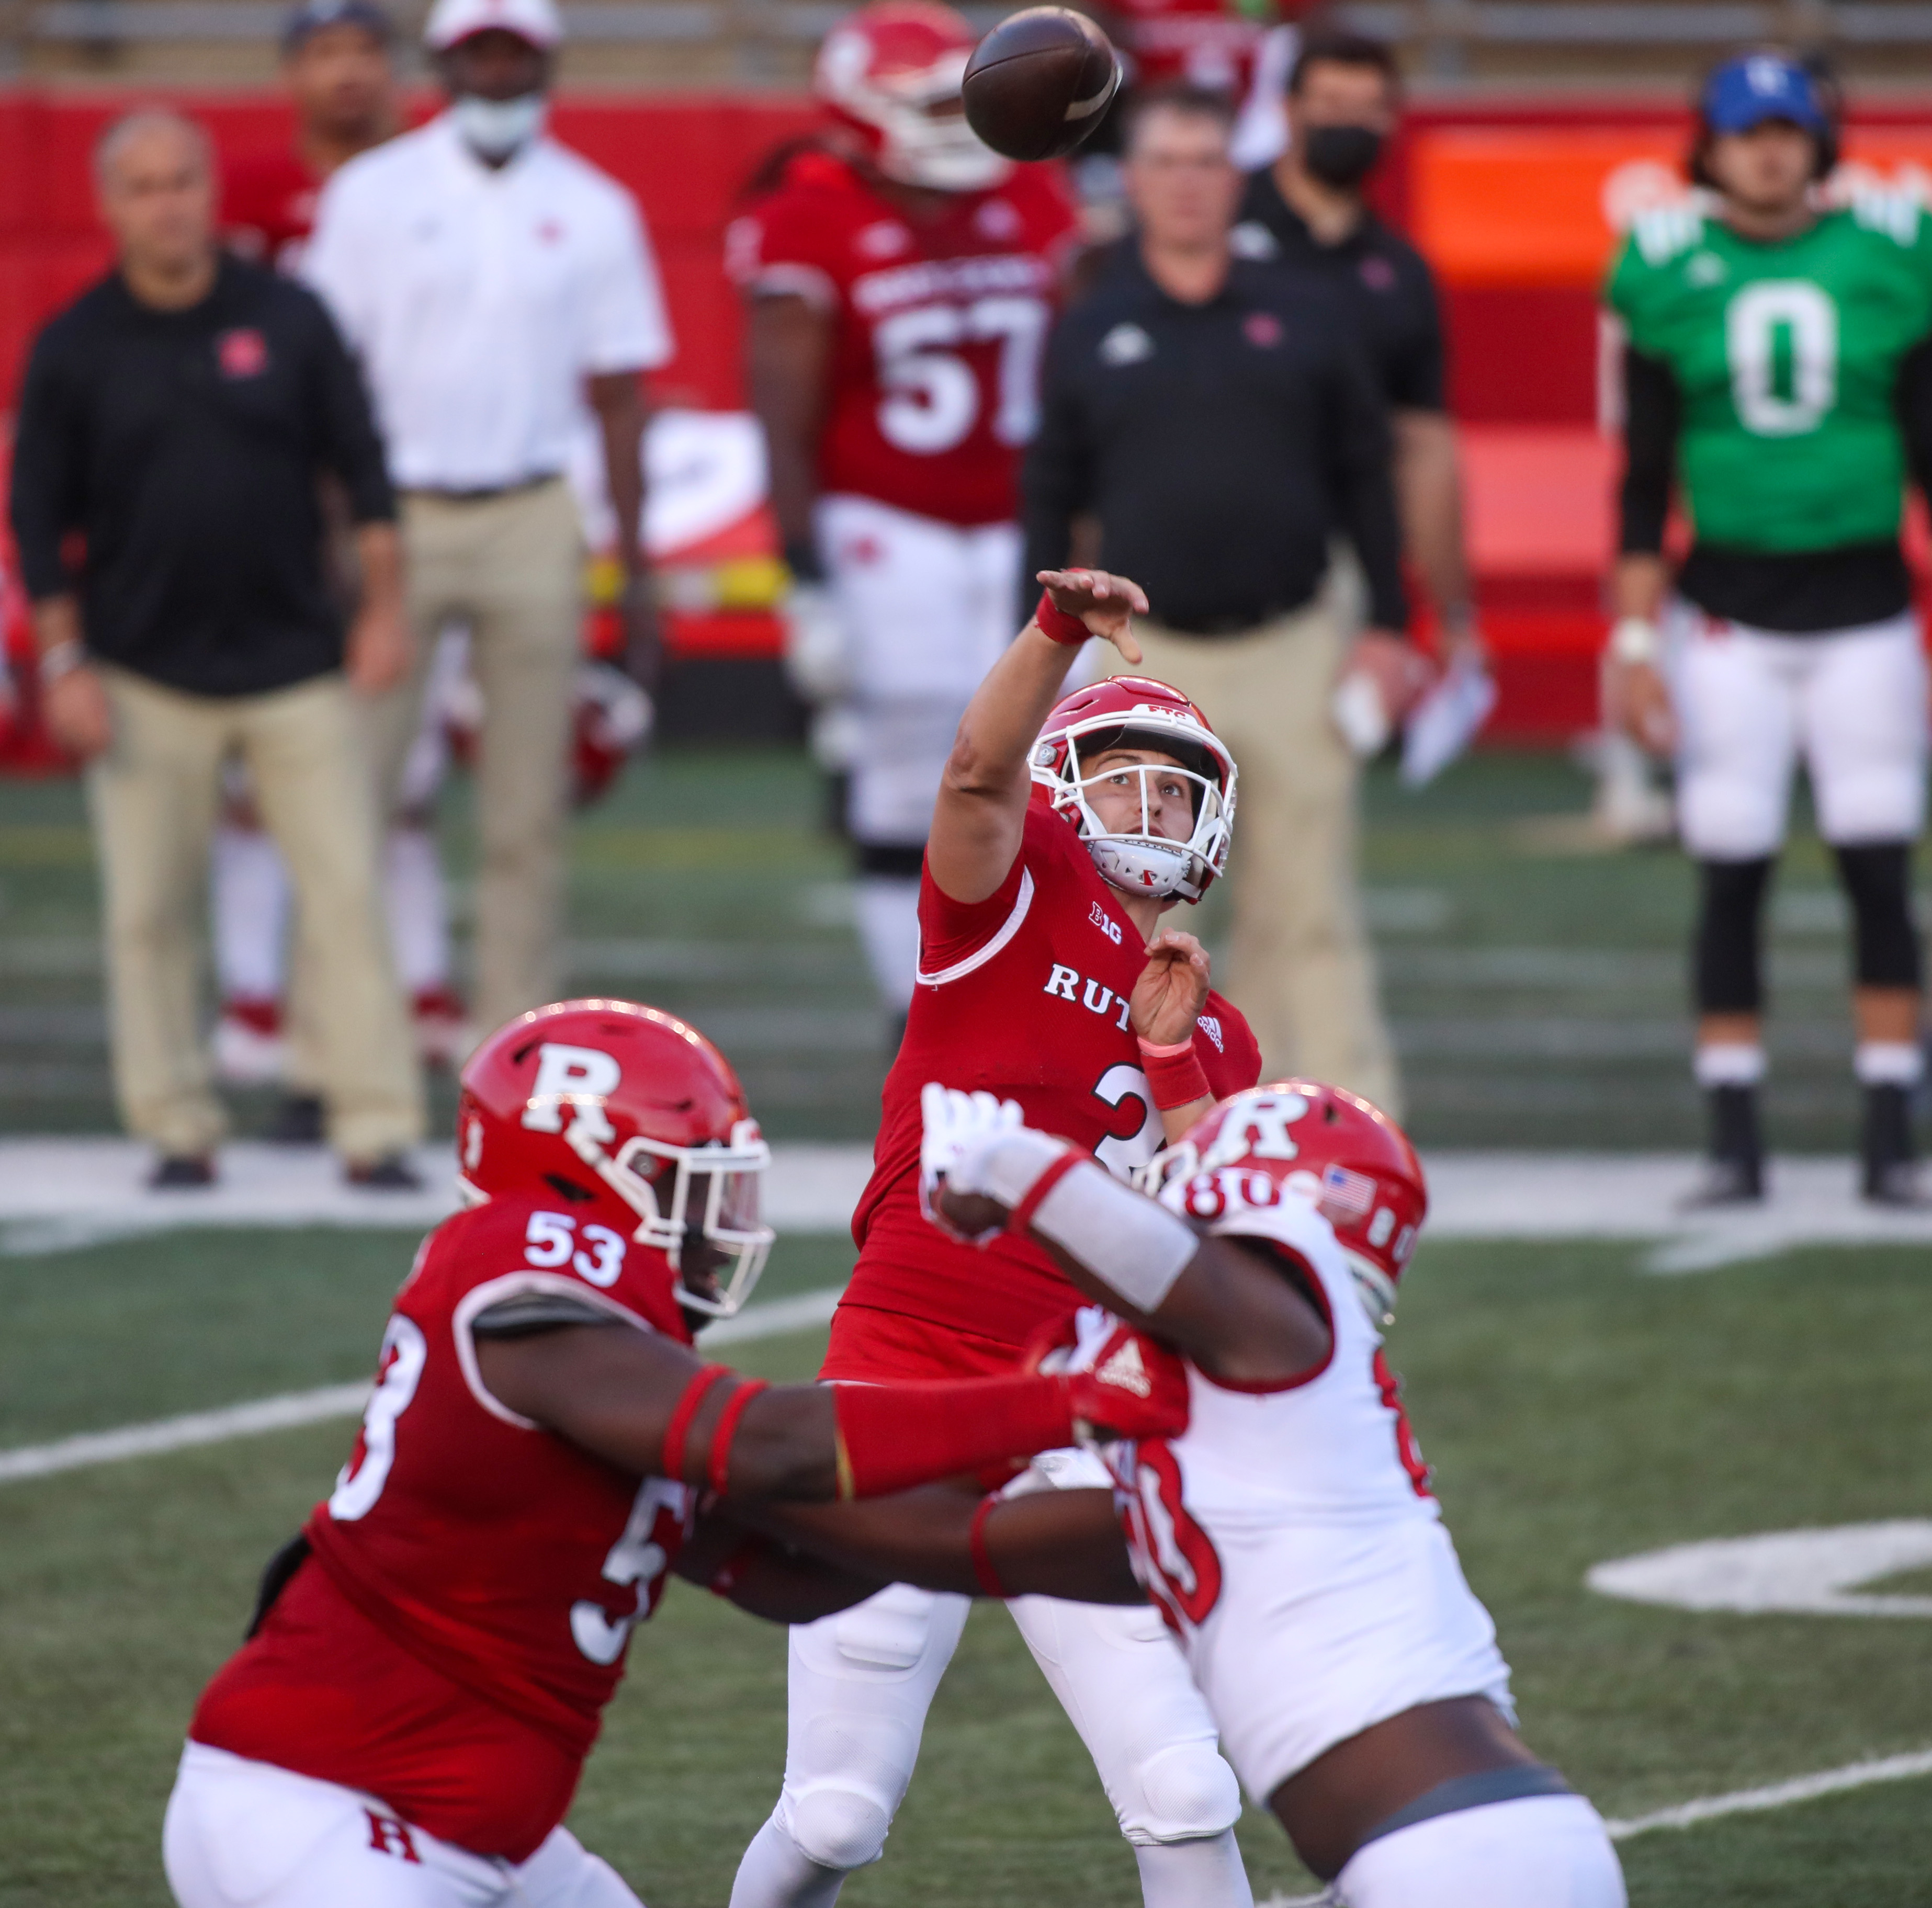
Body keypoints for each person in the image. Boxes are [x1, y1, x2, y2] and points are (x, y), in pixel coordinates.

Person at [162, 997, 1187, 1908]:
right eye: (679, 1176)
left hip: (480, 1836)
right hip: (324, 1809)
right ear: (577, 1167)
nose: (715, 1215)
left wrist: (1169, 1533)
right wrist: (1074, 1399)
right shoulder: (515, 1264)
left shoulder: (615, 1371)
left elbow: (804, 1570)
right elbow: (768, 1443)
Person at [758, 1077, 1630, 1907]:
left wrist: (1006, 1162)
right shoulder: (1227, 1441)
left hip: (1453, 1861)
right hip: (1458, 1852)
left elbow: (1169, 1266)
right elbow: (964, 1545)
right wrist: (722, 1483)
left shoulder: (1289, 1337)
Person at [730, 568, 1261, 1908]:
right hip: (905, 1376)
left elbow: (1232, 1249)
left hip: (1080, 1417)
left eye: (1173, 788)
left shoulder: (1222, 1028)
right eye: (1121, 779)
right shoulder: (1007, 901)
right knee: (839, 1813)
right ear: (1070, 790)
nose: (1147, 808)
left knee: (1186, 1790)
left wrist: (1175, 1061)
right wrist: (1055, 638)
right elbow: (975, 777)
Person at [8, 108, 423, 1188]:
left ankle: (371, 1123)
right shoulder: (76, 342)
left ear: (209, 192)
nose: (167, 203)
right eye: (142, 186)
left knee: (344, 896)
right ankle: (176, 1125)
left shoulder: (289, 317)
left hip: (298, 664)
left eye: (182, 180)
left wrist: (382, 609)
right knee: (147, 914)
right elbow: (39, 519)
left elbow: (364, 471)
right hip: (144, 672)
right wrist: (62, 664)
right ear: (110, 206)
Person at [1024, 83, 1417, 1112]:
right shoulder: (1090, 324)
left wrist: (1387, 626)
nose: (1187, 184)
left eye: (1206, 162)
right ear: (1134, 182)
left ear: (1232, 180)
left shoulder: (1305, 315)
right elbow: (1049, 498)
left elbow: (1366, 478)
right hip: (1149, 661)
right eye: (1167, 163)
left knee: (1306, 904)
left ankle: (1335, 1124)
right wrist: (1038, 654)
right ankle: (1118, 1110)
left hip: (1292, 638)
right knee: (1121, 907)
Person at [303, 0, 670, 1040]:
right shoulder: (372, 196)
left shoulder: (595, 205)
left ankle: (509, 1054)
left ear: (546, 62)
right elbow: (324, 381)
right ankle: (337, 1051)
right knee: (351, 798)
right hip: (396, 512)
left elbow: (620, 396)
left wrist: (635, 571)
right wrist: (331, 528)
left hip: (530, 507)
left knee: (526, 814)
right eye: (481, 51)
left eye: (517, 52)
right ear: (446, 61)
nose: (500, 72)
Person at [1603, 51, 1932, 1205]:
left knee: (1876, 866)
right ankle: (1732, 1138)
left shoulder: (1892, 258)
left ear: (1819, 140)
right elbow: (1641, 481)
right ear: (1709, 145)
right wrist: (1635, 646)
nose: (1770, 149)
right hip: (1727, 617)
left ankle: (1890, 1128)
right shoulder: (1659, 268)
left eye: (1788, 128)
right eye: (1748, 132)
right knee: (1729, 867)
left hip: (1865, 613)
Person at [725, 0, 1079, 1025]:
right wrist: (807, 580)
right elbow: (781, 420)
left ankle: (1050, 993)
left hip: (1024, 526)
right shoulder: (808, 211)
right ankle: (916, 1008)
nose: (950, 119)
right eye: (925, 100)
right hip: (890, 526)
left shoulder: (1027, 190)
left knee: (1054, 755)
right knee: (909, 758)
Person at [208, 0, 474, 1105]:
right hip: (273, 504)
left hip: (408, 494)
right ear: (293, 73)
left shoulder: (447, 184)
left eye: (366, 52)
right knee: (255, 774)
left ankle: (411, 987)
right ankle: (254, 996)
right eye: (325, 54)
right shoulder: (254, 200)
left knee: (398, 776)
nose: (348, 75)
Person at [1233, 27, 1479, 679]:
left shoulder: (1398, 271)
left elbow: (1424, 447)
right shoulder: (1217, 229)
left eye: (1369, 108)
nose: (1351, 124)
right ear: (1287, 110)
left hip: (1336, 554)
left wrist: (1452, 612)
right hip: (1203, 535)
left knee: (1312, 771)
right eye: (1332, 103)